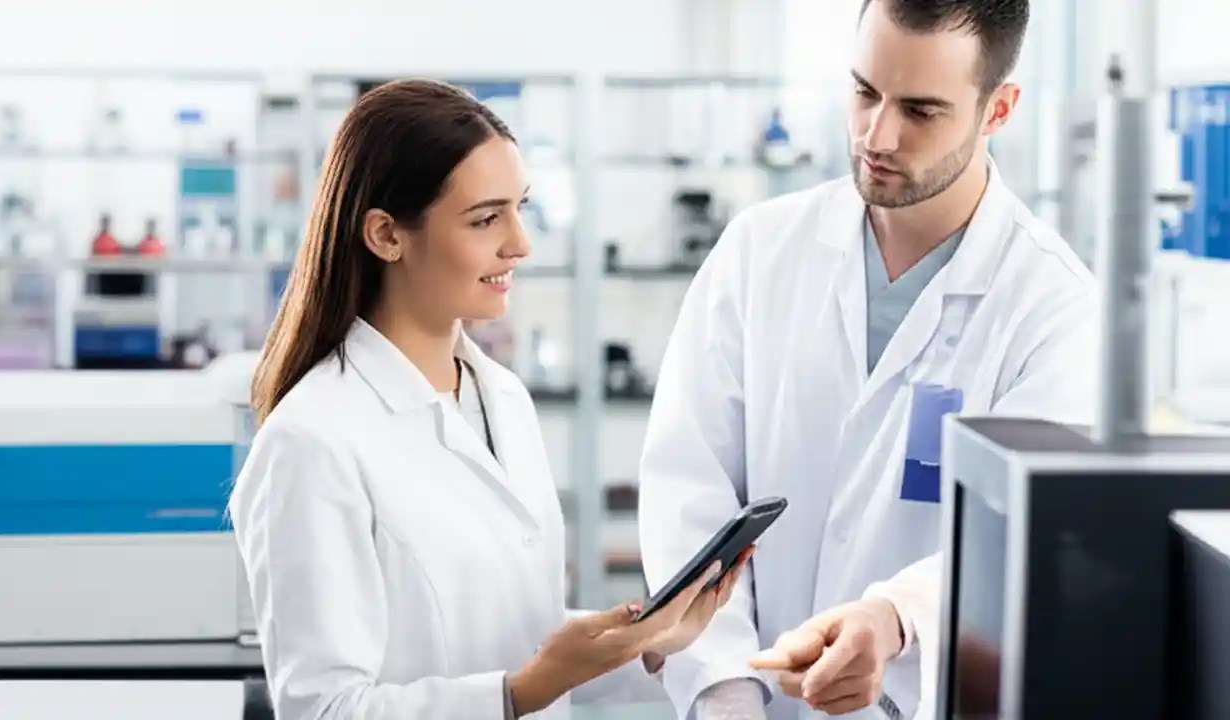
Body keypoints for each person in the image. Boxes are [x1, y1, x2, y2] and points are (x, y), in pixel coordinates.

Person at [227, 79, 751, 720]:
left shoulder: (502, 398)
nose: (520, 243)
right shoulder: (311, 440)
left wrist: (648, 643)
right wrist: (520, 692)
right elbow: (325, 709)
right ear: (387, 235)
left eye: (520, 208)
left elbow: (513, 631)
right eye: (485, 219)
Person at [636, 1, 1100, 718]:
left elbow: (1030, 543)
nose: (877, 135)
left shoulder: (1051, 306)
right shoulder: (760, 251)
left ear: (998, 109)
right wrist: (722, 687)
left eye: (921, 110)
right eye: (863, 93)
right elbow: (687, 488)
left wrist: (896, 618)